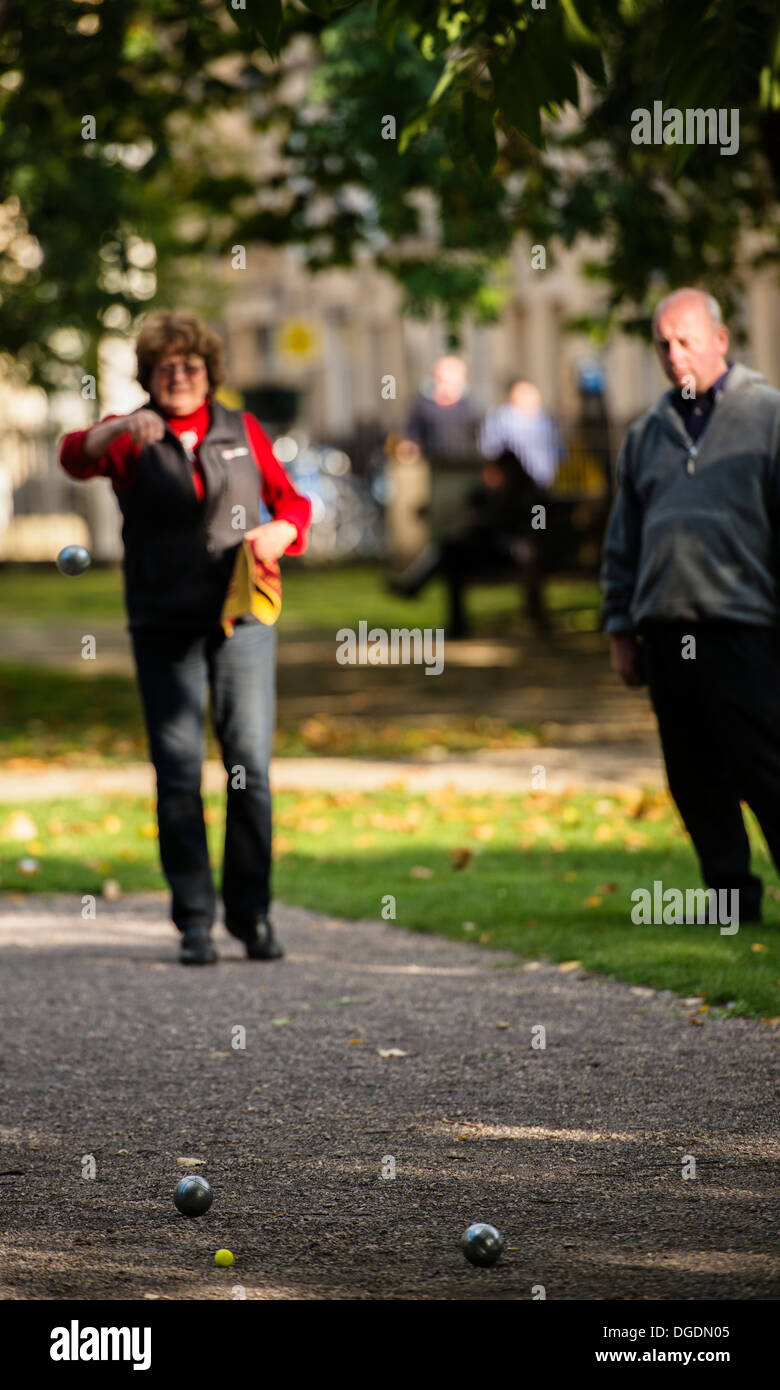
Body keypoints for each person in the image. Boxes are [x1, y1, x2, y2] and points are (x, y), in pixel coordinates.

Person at [59, 309, 312, 964]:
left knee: (248, 768)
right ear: (148, 375)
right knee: (177, 772)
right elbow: (73, 456)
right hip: (163, 620)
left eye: (190, 365)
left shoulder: (242, 428)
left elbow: (292, 502)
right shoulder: (130, 438)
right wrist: (117, 425)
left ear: (209, 373)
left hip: (243, 618)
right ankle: (194, 920)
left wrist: (285, 531)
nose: (179, 375)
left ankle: (251, 917)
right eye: (165, 366)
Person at [601, 286, 780, 924]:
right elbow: (622, 540)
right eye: (664, 344)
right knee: (694, 774)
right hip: (665, 627)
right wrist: (620, 626)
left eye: (687, 340)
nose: (675, 355)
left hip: (743, 625)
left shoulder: (767, 417)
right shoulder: (647, 433)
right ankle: (731, 898)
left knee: (765, 767)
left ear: (720, 340)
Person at [479, 379, 562, 632]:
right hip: (519, 531)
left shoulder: (544, 423)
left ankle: (535, 613)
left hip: (522, 533)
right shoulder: (503, 421)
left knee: (532, 549)